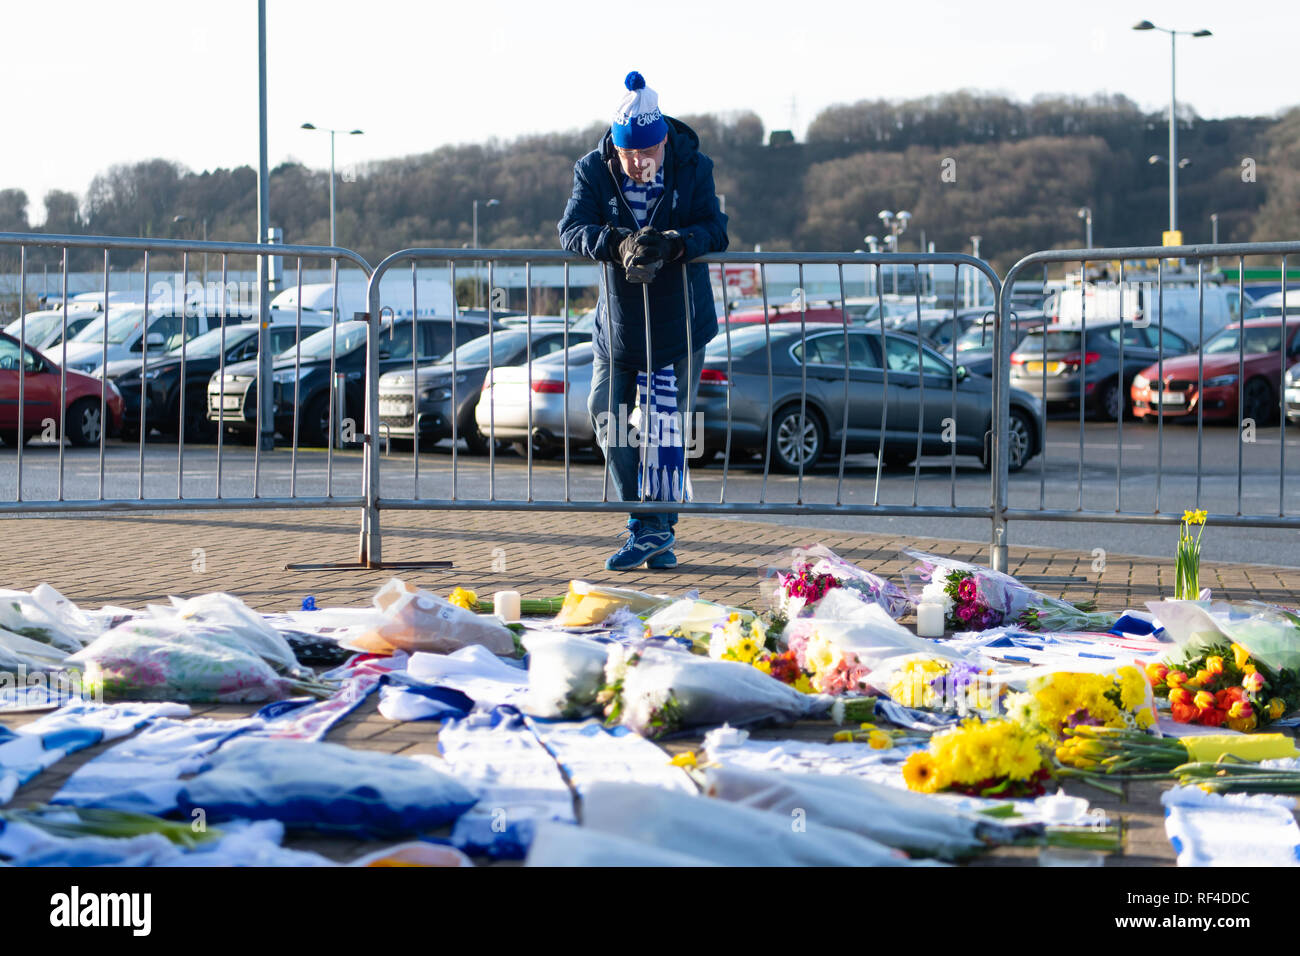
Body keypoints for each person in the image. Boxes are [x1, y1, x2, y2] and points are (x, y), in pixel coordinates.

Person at [558, 71, 729, 571]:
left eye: (646, 153)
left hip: (681, 326)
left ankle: (653, 529)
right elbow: (571, 229)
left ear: (663, 143)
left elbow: (715, 229)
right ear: (614, 145)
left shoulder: (694, 167)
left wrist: (676, 243)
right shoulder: (593, 169)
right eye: (627, 154)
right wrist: (616, 243)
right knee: (605, 415)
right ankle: (650, 524)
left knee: (665, 429)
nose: (637, 164)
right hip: (619, 328)